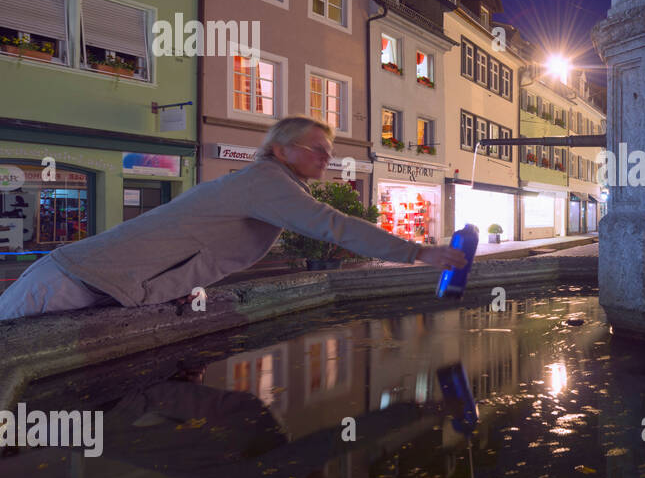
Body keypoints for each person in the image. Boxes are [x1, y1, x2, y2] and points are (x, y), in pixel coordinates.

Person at [0, 116, 466, 321]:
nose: (327, 159)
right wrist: (420, 253)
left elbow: (195, 246)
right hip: (68, 282)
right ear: (282, 150)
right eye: (317, 150)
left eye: (329, 152)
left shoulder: (268, 185)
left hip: (91, 285)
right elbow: (333, 225)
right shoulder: (266, 181)